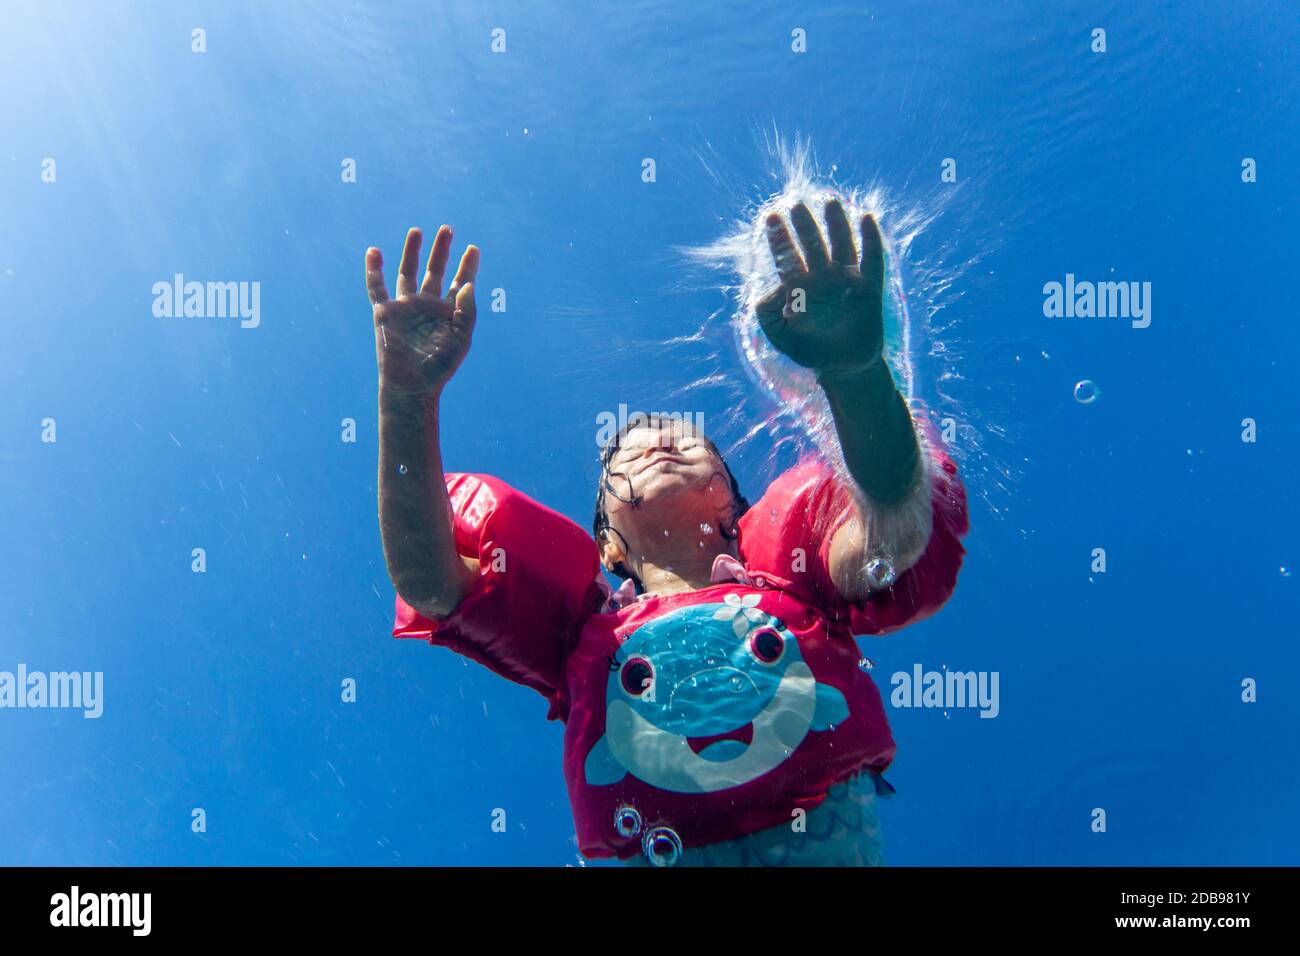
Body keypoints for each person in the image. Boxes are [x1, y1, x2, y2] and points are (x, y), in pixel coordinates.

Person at [365, 198, 969, 865]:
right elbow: (429, 580)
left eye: (686, 442)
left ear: (736, 510)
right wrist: (407, 398)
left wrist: (855, 374)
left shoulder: (794, 577)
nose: (656, 444)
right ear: (608, 546)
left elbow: (891, 538)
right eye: (625, 453)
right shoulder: (576, 632)